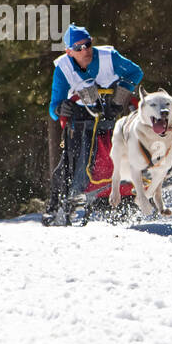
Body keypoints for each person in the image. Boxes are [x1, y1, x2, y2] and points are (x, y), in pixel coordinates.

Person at [47, 25, 144, 218]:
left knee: (117, 153)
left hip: (109, 114)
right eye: (78, 48)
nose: (85, 50)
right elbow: (53, 108)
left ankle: (126, 192)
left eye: (88, 45)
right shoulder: (63, 69)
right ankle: (60, 203)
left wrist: (120, 96)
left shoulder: (109, 58)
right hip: (80, 120)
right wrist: (61, 109)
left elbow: (136, 73)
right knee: (73, 159)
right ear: (69, 52)